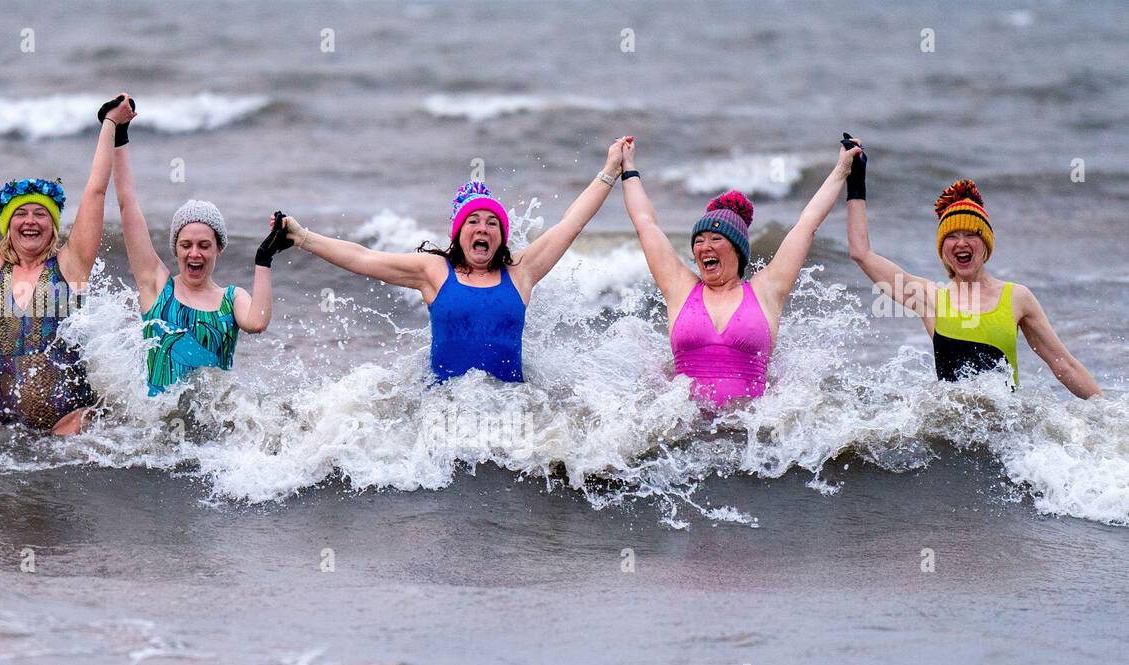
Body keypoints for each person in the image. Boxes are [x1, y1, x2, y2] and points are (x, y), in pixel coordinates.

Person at [269, 138, 630, 383]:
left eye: (492, 223)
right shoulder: (433, 272)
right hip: (444, 410)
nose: (482, 228)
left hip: (510, 409)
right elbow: (364, 258)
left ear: (502, 235)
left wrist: (610, 170)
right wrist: (301, 237)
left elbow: (572, 223)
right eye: (472, 222)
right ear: (457, 233)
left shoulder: (521, 271)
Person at [0, 94, 134, 434]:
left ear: (53, 225)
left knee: (77, 430)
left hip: (68, 425)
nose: (30, 221)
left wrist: (109, 123)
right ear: (8, 225)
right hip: (3, 426)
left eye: (40, 214)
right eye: (20, 214)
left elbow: (95, 191)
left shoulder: (70, 266)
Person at [844, 135, 1100, 397]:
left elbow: (1065, 365)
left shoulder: (1017, 298)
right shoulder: (930, 298)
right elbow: (861, 253)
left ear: (986, 244)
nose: (961, 243)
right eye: (951, 237)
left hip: (1007, 432)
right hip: (950, 433)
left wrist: (1112, 420)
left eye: (971, 235)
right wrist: (855, 181)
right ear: (943, 249)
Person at [618, 137, 860, 407]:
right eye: (698, 241)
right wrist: (628, 168)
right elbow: (645, 224)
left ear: (738, 250)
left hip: (750, 434)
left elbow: (807, 224)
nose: (704, 247)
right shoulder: (681, 289)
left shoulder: (766, 291)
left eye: (715, 239)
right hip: (684, 435)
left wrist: (841, 169)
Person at [108, 95, 289, 396]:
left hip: (213, 436)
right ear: (176, 249)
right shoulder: (156, 287)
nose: (195, 253)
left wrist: (264, 258)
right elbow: (128, 207)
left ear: (219, 249)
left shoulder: (232, 299)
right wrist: (119, 134)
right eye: (186, 244)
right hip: (157, 429)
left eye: (204, 245)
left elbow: (257, 323)